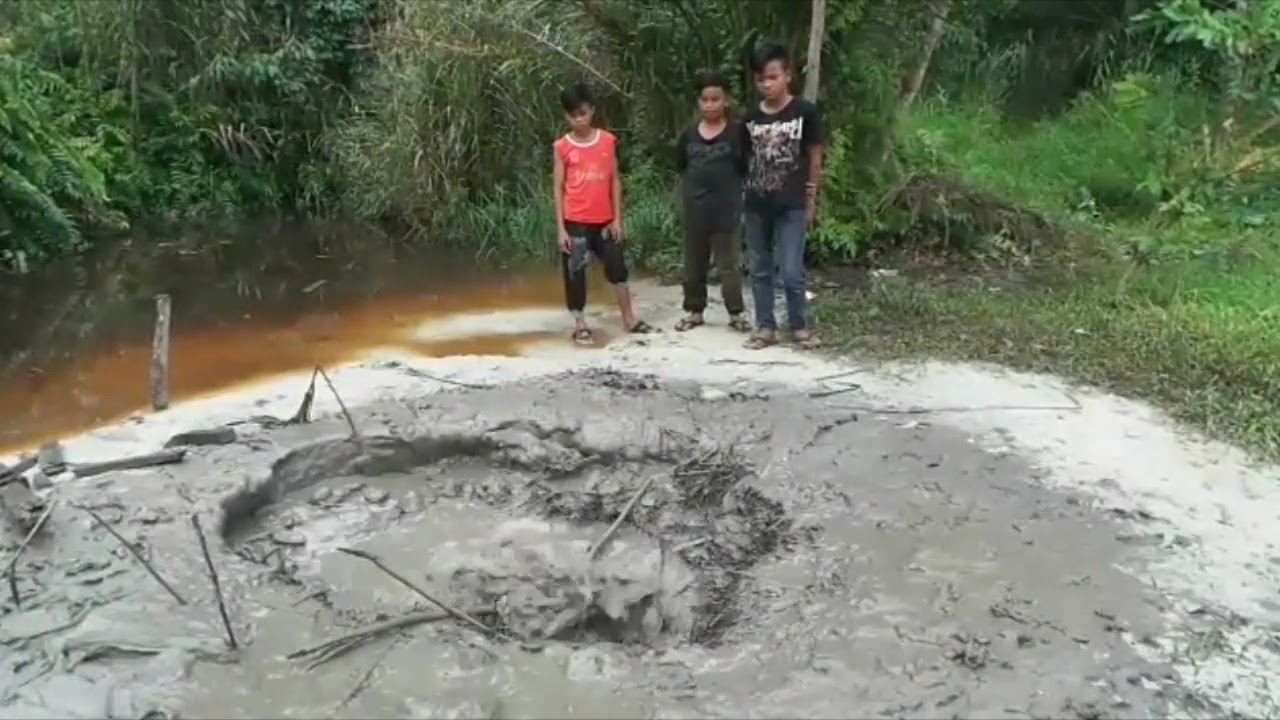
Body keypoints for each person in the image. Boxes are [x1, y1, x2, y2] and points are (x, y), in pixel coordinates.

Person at [552, 82, 654, 346]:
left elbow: (614, 180)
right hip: (575, 219)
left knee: (617, 267)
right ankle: (580, 323)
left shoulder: (607, 141)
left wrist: (618, 218)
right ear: (567, 117)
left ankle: (629, 318)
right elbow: (558, 187)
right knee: (575, 272)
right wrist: (560, 228)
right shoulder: (562, 146)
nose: (579, 120)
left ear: (592, 111)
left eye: (583, 113)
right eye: (573, 115)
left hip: (605, 219)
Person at [740, 41, 825, 350]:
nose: (767, 84)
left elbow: (815, 155)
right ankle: (765, 327)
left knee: (791, 270)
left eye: (773, 76)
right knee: (759, 267)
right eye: (761, 78)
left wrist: (811, 198)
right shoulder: (750, 117)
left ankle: (799, 325)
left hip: (792, 205)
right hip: (756, 205)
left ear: (787, 75)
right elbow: (745, 160)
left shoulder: (805, 112)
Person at [674, 71, 752, 334]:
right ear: (698, 102)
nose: (710, 105)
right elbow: (681, 168)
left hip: (726, 212)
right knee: (693, 265)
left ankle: (736, 314)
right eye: (705, 99)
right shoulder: (688, 135)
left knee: (728, 266)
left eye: (715, 99)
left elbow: (744, 167)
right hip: (695, 211)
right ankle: (695, 312)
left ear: (725, 100)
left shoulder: (738, 132)